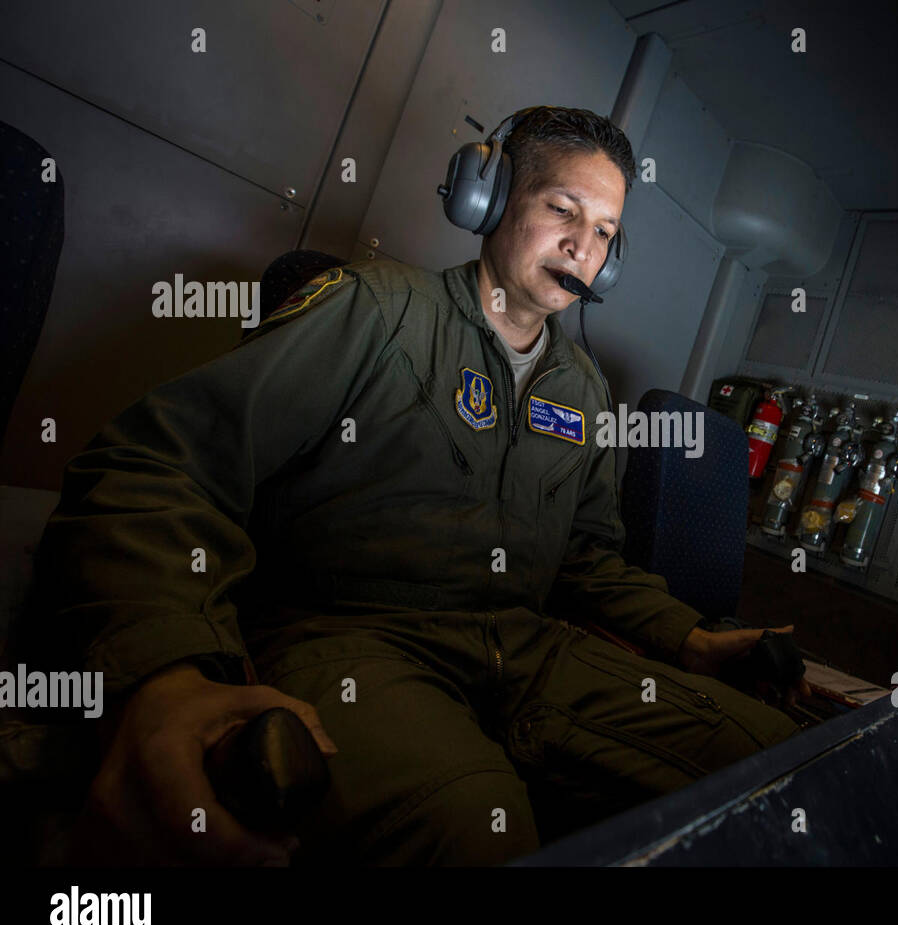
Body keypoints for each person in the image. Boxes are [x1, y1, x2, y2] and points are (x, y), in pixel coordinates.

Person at [24, 105, 809, 866]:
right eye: (562, 208)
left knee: (786, 767)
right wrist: (165, 673)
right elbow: (162, 465)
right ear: (489, 199)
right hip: (348, 639)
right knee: (467, 835)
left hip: (528, 647)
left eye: (605, 231)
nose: (583, 245)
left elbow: (586, 559)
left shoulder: (586, 391)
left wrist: (689, 636)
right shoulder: (376, 308)